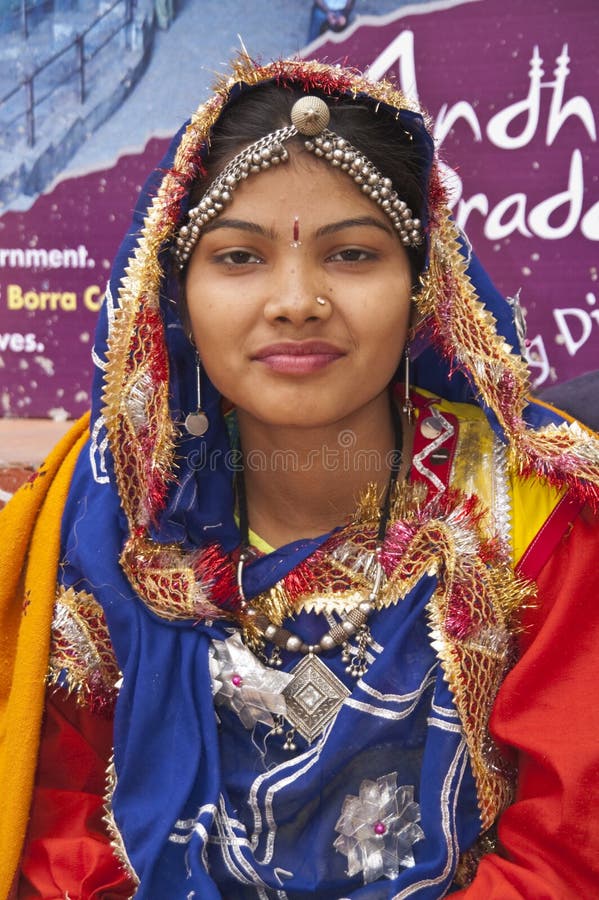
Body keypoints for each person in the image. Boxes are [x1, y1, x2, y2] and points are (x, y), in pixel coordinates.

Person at [2, 54, 599, 899]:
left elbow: (567, 849)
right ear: (174, 292)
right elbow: (55, 824)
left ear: (422, 284)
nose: (296, 300)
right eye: (239, 258)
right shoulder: (113, 511)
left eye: (351, 254)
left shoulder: (535, 509)